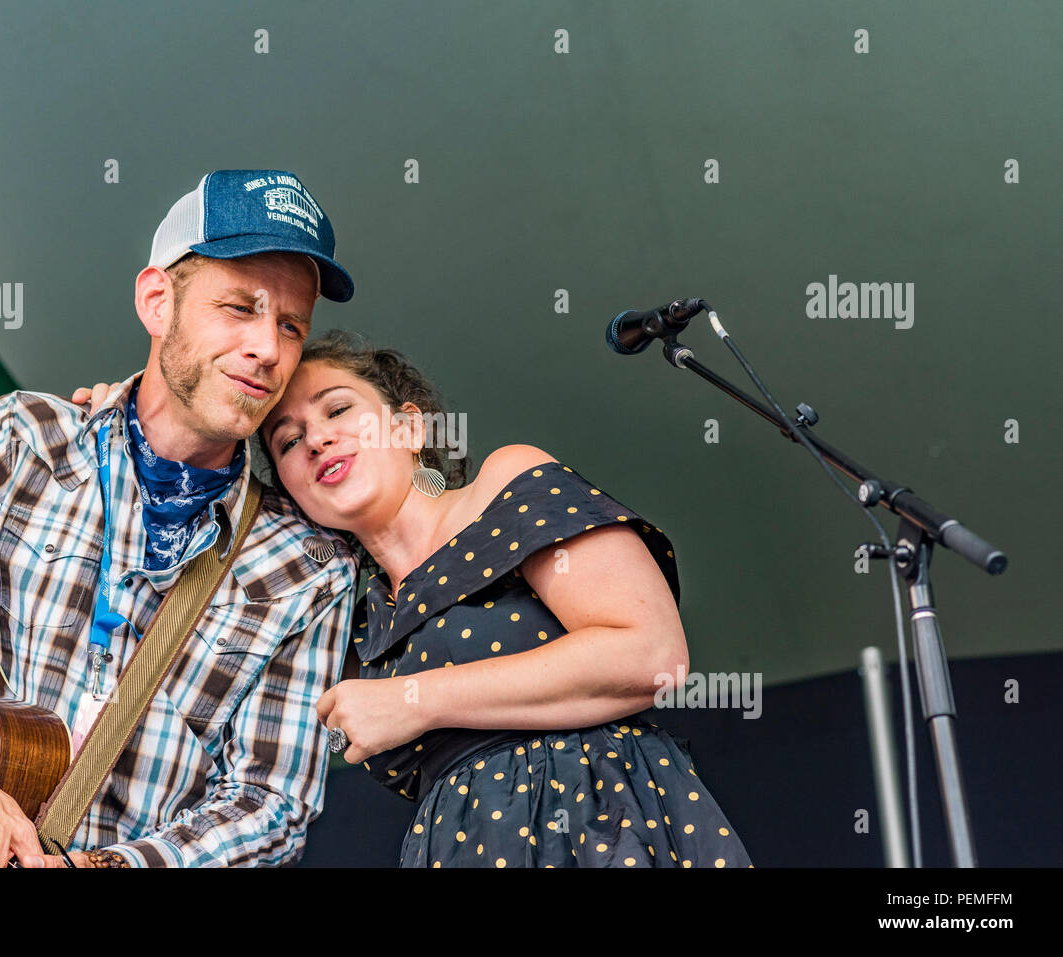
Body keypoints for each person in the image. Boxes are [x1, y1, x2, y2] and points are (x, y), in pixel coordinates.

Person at [0, 169, 360, 867]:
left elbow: (268, 804)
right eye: (239, 308)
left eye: (290, 325)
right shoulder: (20, 439)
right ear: (158, 301)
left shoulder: (307, 568)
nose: (269, 348)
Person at [255, 329, 754, 867]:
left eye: (338, 410)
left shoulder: (503, 486)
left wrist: (413, 700)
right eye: (288, 441)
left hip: (603, 826)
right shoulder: (351, 624)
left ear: (410, 426)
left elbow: (651, 655)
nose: (316, 440)